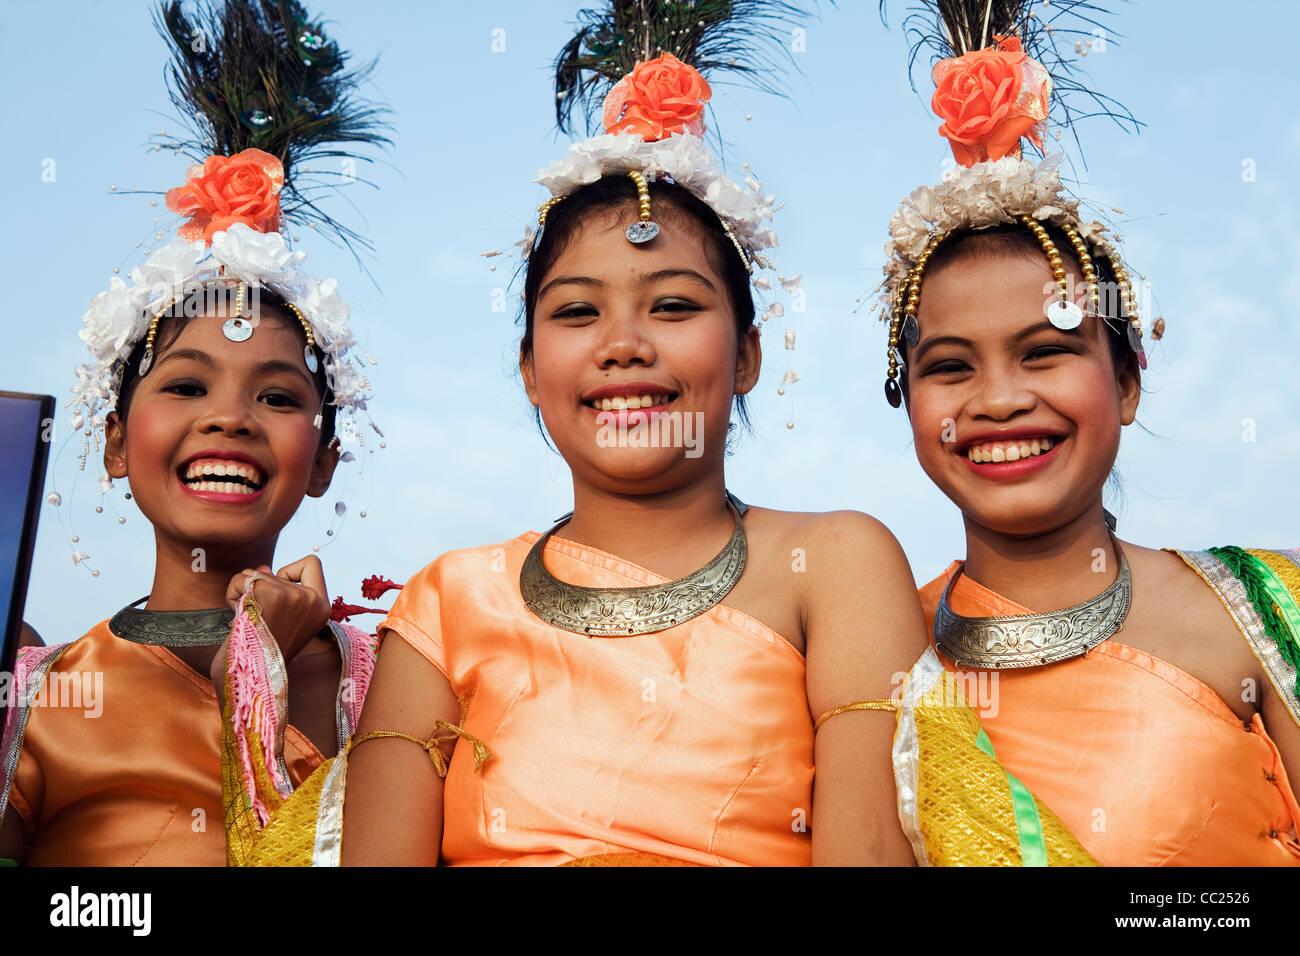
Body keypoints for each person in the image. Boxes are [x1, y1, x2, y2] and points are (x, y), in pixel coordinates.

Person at [341, 7, 929, 867]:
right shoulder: (444, 604)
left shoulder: (836, 563)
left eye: (675, 305)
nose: (623, 344)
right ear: (531, 371)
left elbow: (871, 852)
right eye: (578, 312)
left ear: (747, 357)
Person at [873, 1, 1300, 865]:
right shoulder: (885, 655)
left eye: (1044, 353)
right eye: (950, 366)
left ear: (1130, 380)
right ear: (906, 399)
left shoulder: (1260, 607)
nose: (997, 401)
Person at [0, 0, 386, 866]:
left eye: (279, 399)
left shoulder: (386, 676)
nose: (228, 418)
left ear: (324, 459)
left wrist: (264, 675)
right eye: (184, 385)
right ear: (110, 444)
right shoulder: (37, 695)